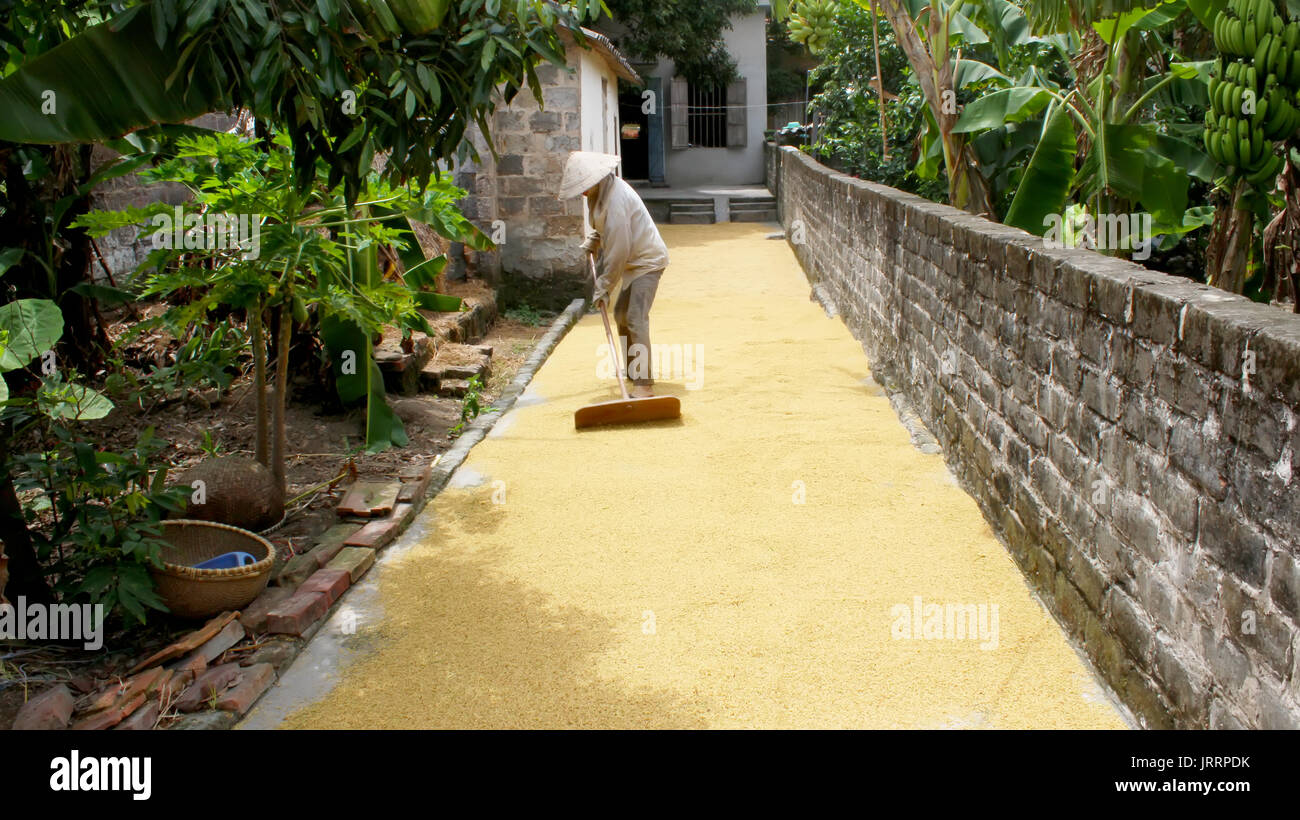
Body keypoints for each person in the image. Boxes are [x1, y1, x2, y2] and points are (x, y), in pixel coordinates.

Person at [558, 151, 669, 399]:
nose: (583, 192)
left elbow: (619, 250)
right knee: (620, 314)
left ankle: (644, 384)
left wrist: (604, 285)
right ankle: (632, 369)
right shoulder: (599, 193)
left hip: (647, 262)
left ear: (595, 180)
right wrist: (594, 239)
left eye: (584, 187)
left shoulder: (617, 199)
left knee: (635, 317)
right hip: (633, 261)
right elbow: (604, 227)